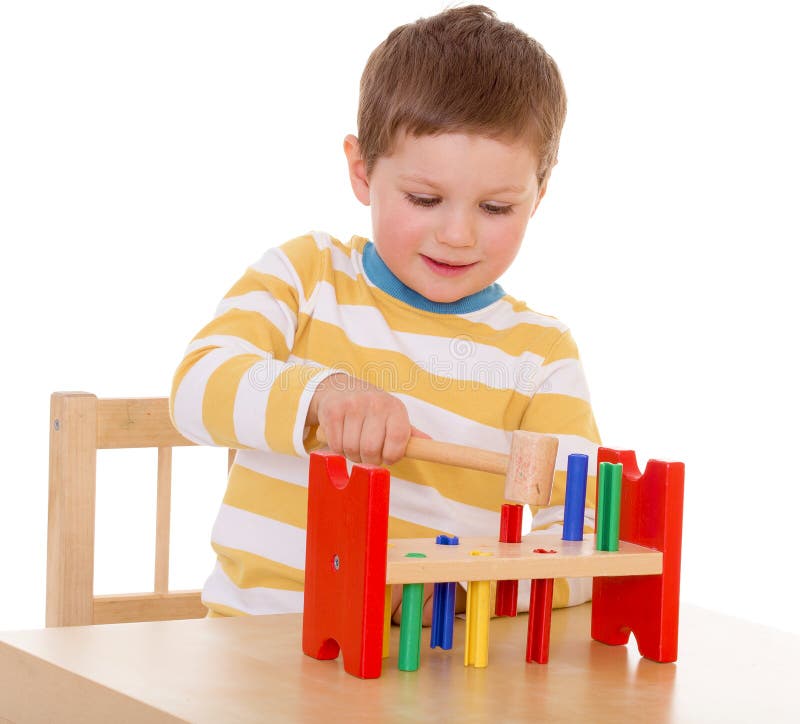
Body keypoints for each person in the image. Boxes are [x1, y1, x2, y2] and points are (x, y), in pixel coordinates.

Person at [170, 4, 600, 621]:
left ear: (541, 191)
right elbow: (196, 387)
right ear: (363, 171)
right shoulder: (306, 275)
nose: (458, 234)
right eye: (425, 199)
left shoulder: (541, 355)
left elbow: (582, 539)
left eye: (497, 208)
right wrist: (323, 395)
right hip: (254, 645)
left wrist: (458, 596)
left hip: (430, 667)